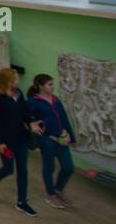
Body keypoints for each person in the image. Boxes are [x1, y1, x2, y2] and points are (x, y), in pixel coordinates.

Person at [0, 67, 45, 216]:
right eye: (16, 78)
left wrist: (31, 122)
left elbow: (25, 113)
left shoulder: (19, 94)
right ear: (9, 80)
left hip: (21, 138)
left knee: (23, 170)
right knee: (8, 169)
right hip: (6, 140)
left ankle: (22, 202)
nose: (19, 80)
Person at [27, 73, 78, 210]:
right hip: (46, 139)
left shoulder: (56, 100)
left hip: (61, 139)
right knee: (49, 167)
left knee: (68, 168)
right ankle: (51, 194)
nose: (52, 87)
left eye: (52, 84)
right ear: (40, 86)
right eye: (49, 84)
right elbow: (24, 115)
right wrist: (32, 123)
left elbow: (64, 119)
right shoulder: (33, 101)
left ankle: (58, 190)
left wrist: (71, 138)